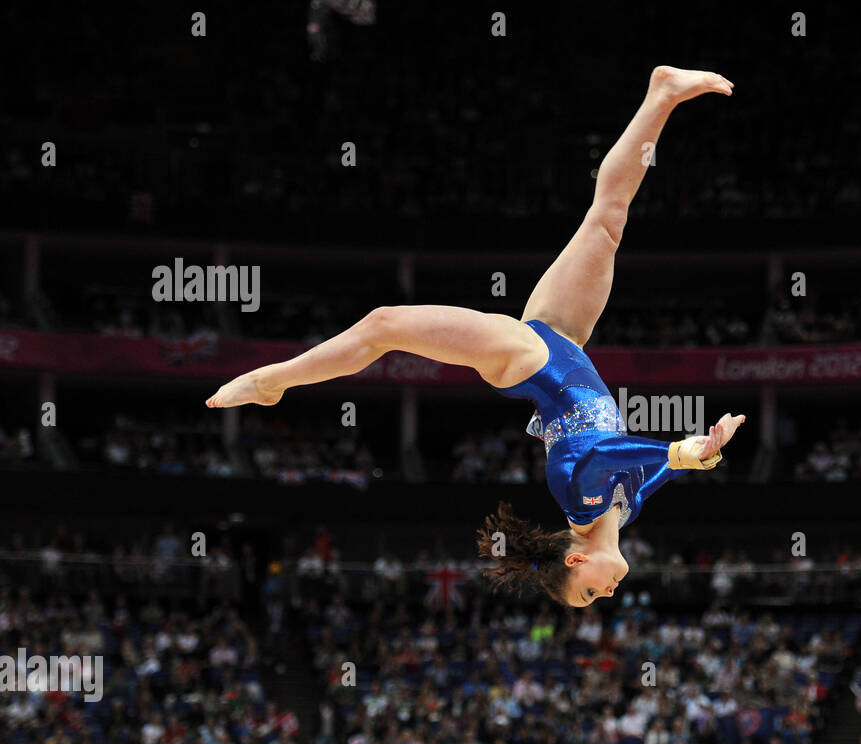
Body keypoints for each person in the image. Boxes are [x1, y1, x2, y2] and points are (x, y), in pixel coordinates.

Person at [207, 66, 745, 608]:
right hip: (563, 341)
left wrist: (679, 450)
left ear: (575, 559)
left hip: (530, 363)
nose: (606, 594)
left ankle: (271, 381)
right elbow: (651, 471)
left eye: (587, 593)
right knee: (606, 221)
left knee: (385, 325)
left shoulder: (579, 498)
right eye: (599, 599)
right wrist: (690, 455)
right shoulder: (625, 510)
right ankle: (662, 93)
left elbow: (607, 454)